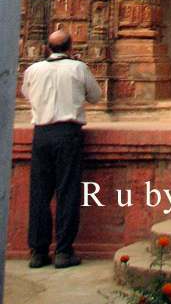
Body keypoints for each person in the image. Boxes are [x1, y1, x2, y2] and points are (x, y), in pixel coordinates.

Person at [21, 29, 102, 269]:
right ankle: (64, 252)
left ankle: (38, 251)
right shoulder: (78, 68)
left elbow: (27, 94)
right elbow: (96, 97)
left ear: (48, 48)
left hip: (42, 134)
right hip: (68, 133)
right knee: (67, 192)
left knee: (40, 193)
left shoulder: (33, 70)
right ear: (70, 47)